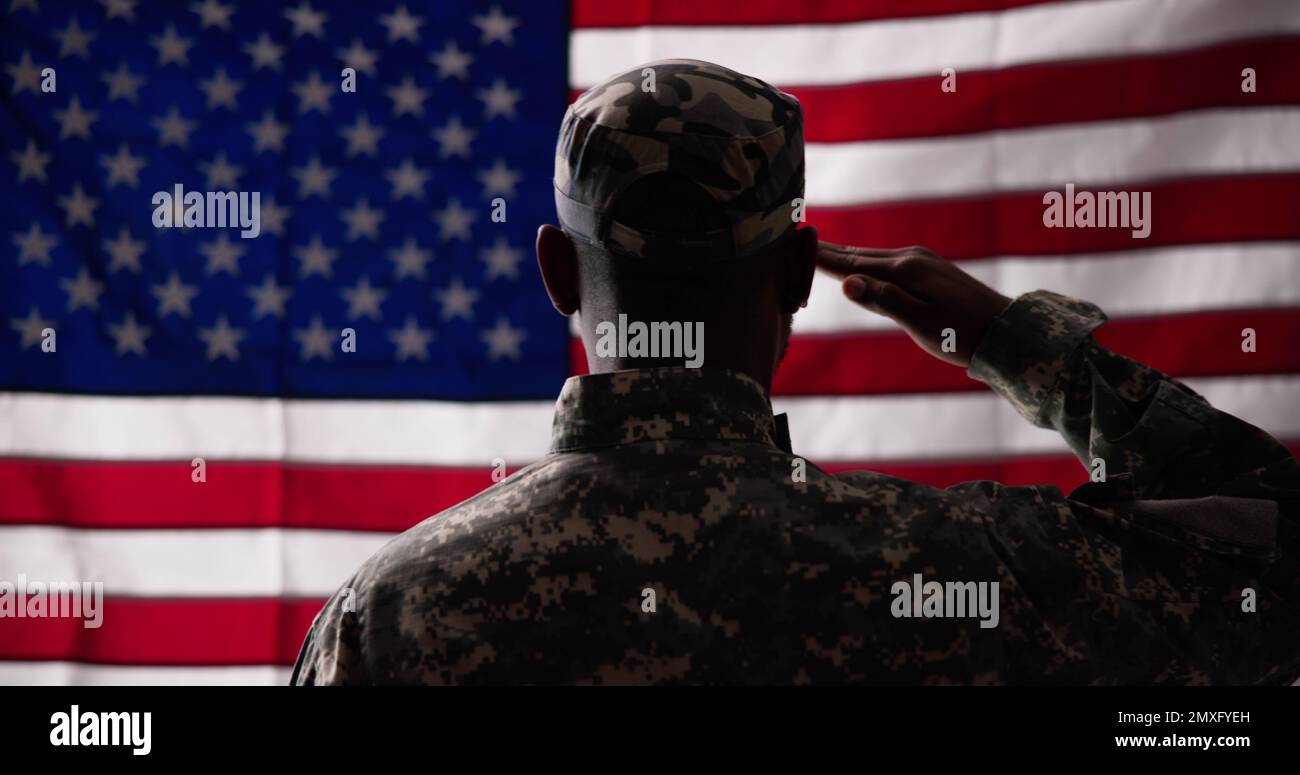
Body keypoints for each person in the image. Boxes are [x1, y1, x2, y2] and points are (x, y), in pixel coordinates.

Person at [292, 59, 1300, 685]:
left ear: (557, 270)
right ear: (793, 273)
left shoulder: (390, 616)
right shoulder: (964, 572)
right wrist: (1012, 341)